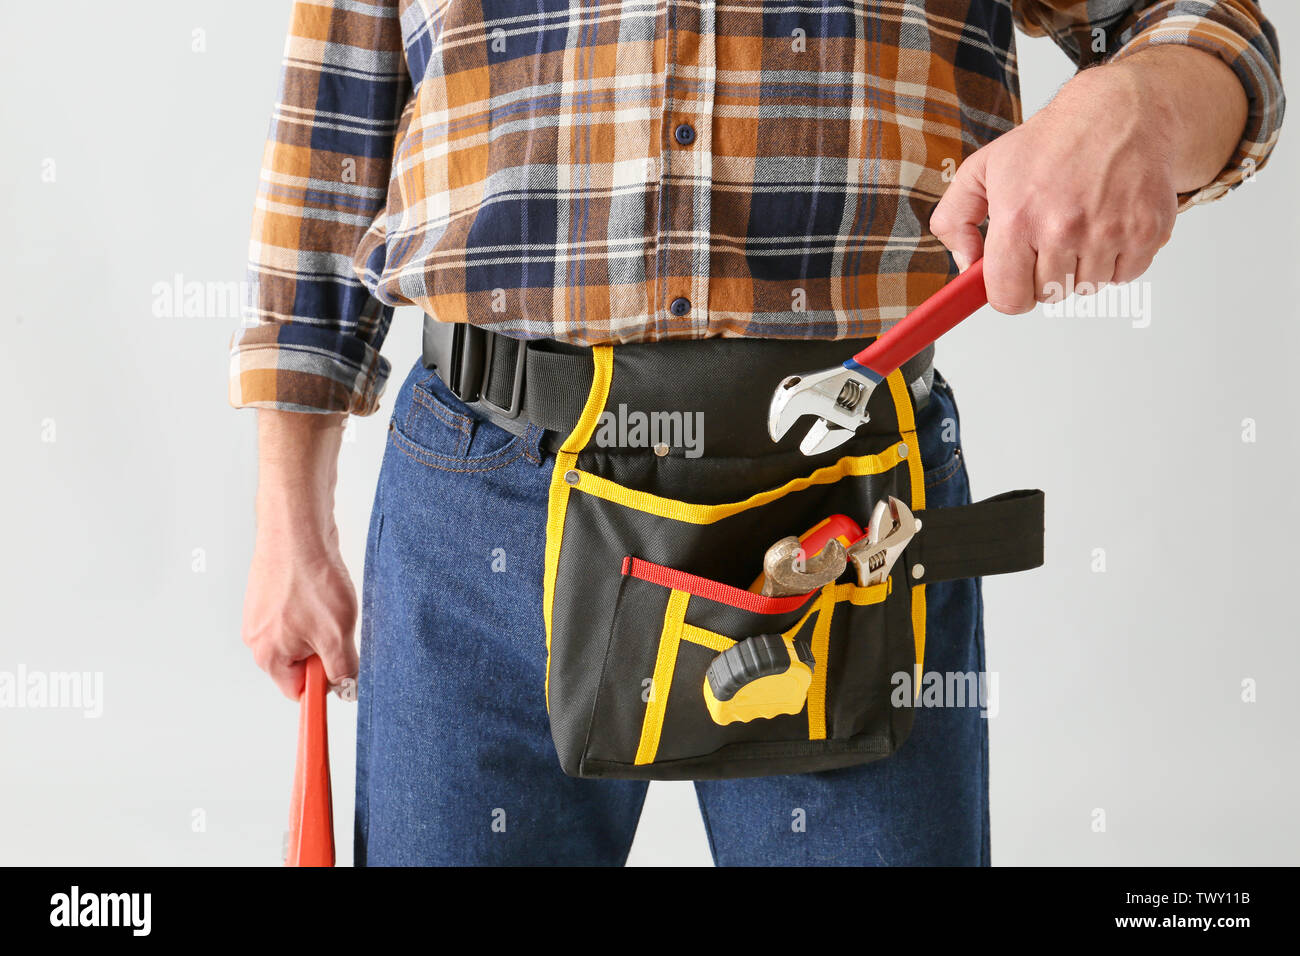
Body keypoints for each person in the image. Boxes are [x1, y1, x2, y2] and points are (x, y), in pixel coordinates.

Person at [231, 0, 1282, 865]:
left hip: (851, 521)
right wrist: (288, 519)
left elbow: (1220, 35)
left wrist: (1136, 104)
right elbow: (330, 141)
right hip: (482, 511)